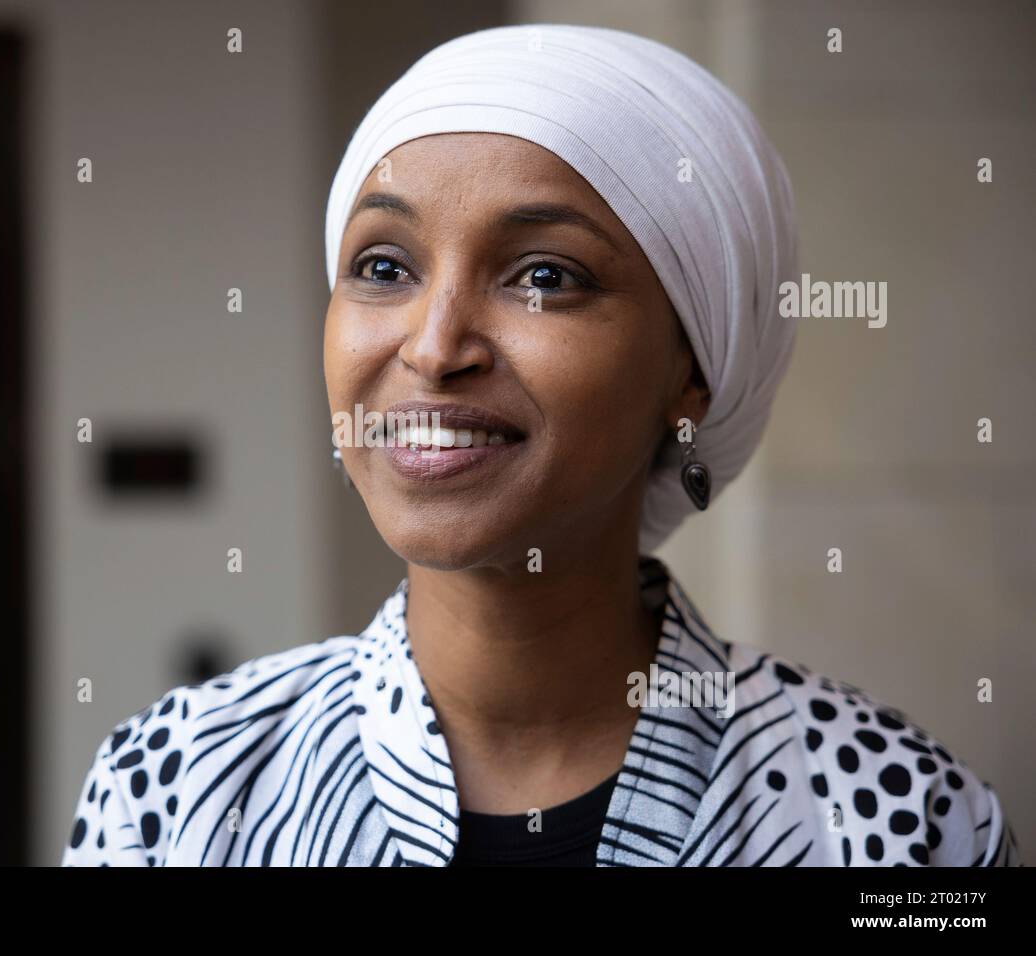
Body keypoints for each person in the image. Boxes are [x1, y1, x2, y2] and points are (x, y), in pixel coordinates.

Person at [61, 23, 1020, 867]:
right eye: (384, 266)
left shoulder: (900, 826)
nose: (434, 348)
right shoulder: (177, 793)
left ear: (693, 373)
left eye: (546, 276)